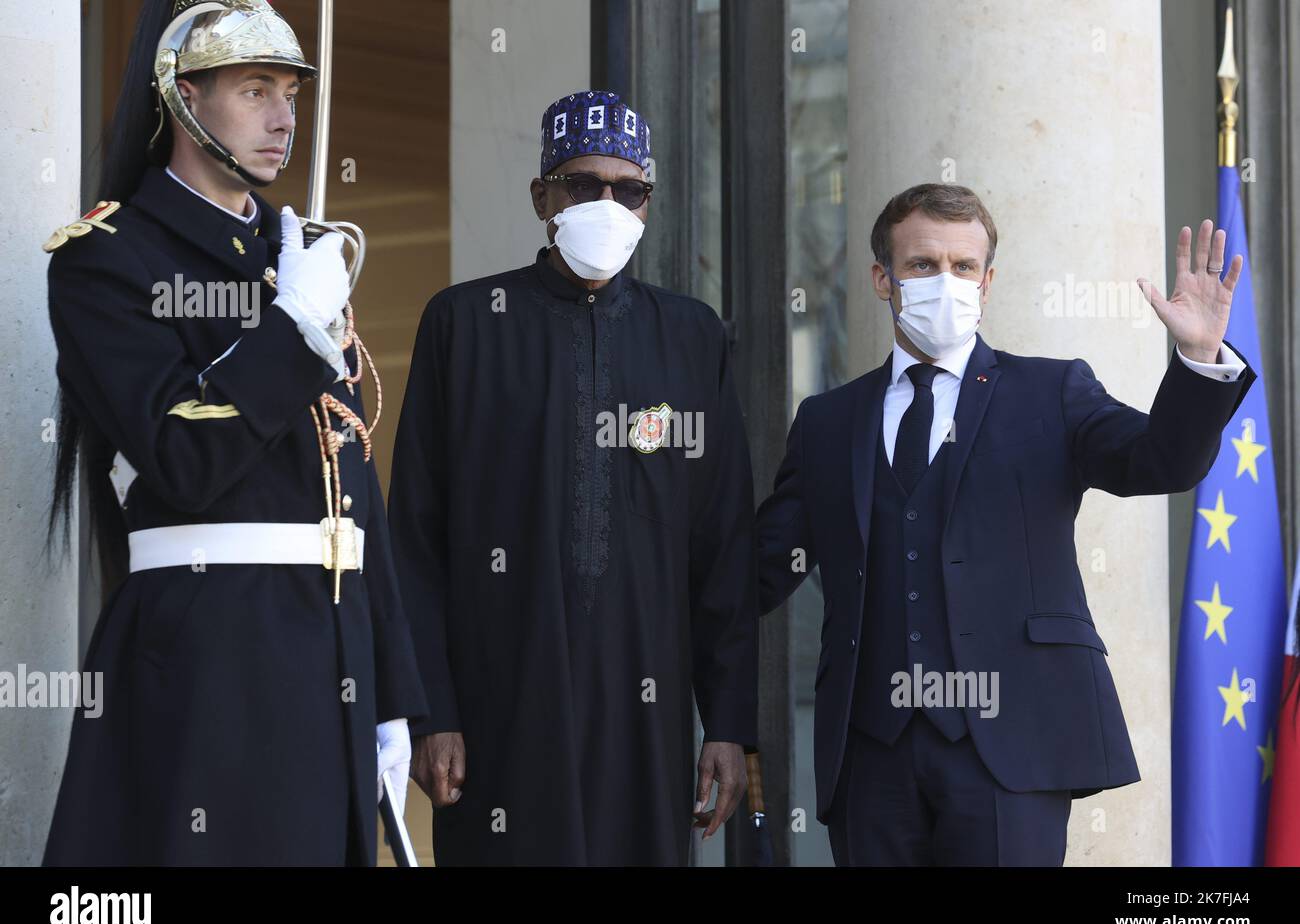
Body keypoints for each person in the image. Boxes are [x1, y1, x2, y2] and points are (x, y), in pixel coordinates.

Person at [756, 183, 1256, 866]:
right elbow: (758, 569)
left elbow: (1160, 462)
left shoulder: (1051, 391)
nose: (946, 281)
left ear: (988, 284)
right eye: (923, 265)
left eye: (964, 267)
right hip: (872, 755)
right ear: (882, 279)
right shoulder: (826, 421)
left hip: (1011, 747)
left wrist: (1198, 360)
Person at [42, 0, 426, 865]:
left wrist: (397, 689)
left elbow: (353, 484)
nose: (285, 120)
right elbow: (182, 454)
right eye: (256, 91)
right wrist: (292, 329)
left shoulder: (298, 255)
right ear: (183, 99)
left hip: (333, 651)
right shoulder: (107, 258)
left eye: (290, 93)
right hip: (211, 647)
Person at [388, 90, 758, 865]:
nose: (607, 204)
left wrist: (728, 724)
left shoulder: (690, 336)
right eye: (584, 185)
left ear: (649, 203)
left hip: (645, 709)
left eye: (630, 191)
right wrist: (429, 714)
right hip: (503, 703)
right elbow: (415, 541)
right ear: (542, 197)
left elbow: (722, 547)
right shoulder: (462, 324)